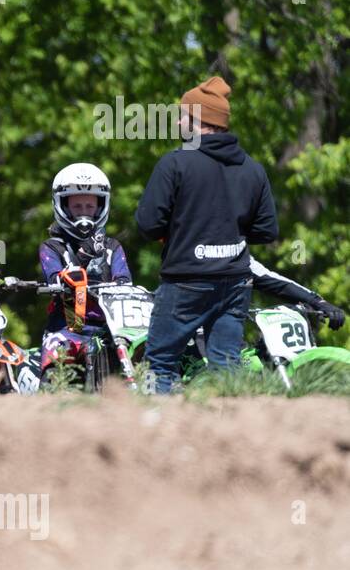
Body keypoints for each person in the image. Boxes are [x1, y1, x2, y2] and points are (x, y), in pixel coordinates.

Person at [135, 76, 279, 392]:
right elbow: (267, 230)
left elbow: (147, 224)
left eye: (182, 114)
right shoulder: (253, 169)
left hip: (185, 281)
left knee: (160, 366)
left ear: (199, 120)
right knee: (227, 369)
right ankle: (228, 436)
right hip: (235, 281)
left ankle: (159, 436)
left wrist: (180, 234)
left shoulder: (176, 163)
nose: (175, 120)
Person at [36, 163, 133, 374]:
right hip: (68, 327)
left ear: (100, 207)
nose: (84, 213)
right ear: (63, 206)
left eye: (89, 207)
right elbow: (55, 279)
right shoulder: (52, 247)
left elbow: (125, 282)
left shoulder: (112, 246)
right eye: (77, 207)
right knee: (55, 366)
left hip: (111, 329)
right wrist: (83, 257)